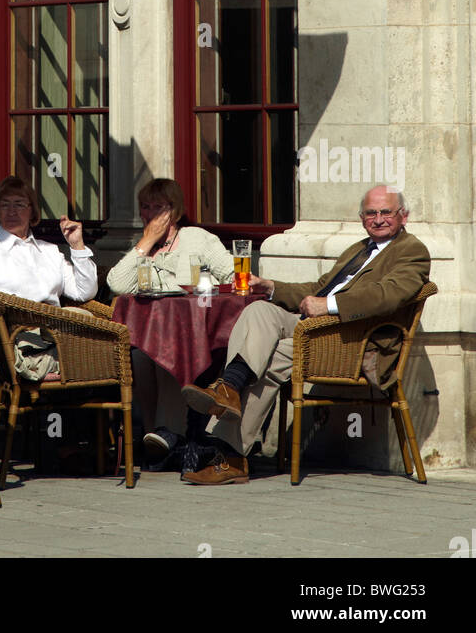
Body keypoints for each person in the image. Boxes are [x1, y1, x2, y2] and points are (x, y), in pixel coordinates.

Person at [180, 185, 431, 486]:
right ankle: (229, 388)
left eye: (385, 212)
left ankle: (229, 454)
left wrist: (329, 305)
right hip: (315, 328)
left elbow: (388, 295)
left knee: (272, 358)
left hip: (354, 339)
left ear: (403, 216)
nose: (378, 219)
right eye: (370, 213)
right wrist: (270, 286)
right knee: (260, 310)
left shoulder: (412, 251)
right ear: (362, 218)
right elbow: (319, 286)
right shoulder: (358, 249)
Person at [106, 177, 235, 464]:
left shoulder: (197, 239)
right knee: (140, 358)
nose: (150, 214)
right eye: (145, 207)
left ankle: (166, 432)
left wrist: (206, 281)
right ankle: (157, 438)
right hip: (151, 336)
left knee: (163, 352)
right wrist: (147, 241)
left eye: (158, 207)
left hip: (199, 336)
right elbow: (117, 284)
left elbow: (231, 274)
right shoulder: (142, 249)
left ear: (174, 211)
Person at [0, 175, 98, 306]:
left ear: (32, 211)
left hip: (54, 325)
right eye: (4, 205)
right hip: (14, 326)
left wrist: (77, 246)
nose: (11, 211)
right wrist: (17, 303)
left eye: (19, 205)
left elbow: (84, 292)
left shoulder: (49, 250)